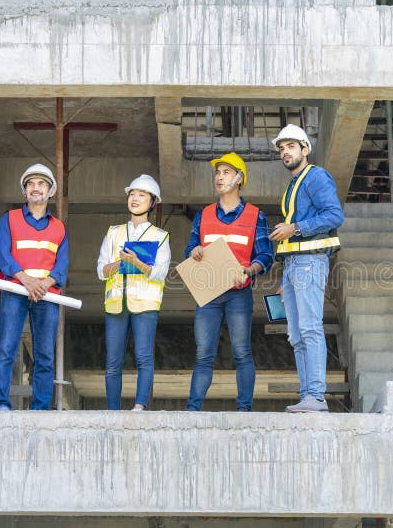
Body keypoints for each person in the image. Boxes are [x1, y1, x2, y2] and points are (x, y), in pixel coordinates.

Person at [185, 152, 274, 412]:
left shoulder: (255, 216)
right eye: (217, 172)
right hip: (209, 293)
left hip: (239, 293)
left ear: (238, 179)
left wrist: (250, 269)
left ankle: (244, 409)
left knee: (242, 352)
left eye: (225, 172)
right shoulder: (204, 215)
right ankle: (193, 409)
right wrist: (194, 251)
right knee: (203, 354)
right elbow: (191, 247)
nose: (219, 177)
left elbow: (266, 255)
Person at [268, 124, 344, 413]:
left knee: (309, 328)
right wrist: (285, 277)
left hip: (310, 262)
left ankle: (316, 396)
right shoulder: (295, 183)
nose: (284, 152)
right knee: (297, 334)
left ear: (305, 149)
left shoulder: (315, 177)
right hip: (294, 266)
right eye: (281, 148)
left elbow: (335, 214)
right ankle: (308, 396)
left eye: (290, 146)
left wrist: (295, 228)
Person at [0, 163, 69, 411]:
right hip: (15, 291)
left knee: (45, 356)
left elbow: (62, 265)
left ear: (51, 191)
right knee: (6, 349)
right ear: (24, 191)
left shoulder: (59, 227)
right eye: (31, 184)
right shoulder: (9, 219)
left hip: (47, 295)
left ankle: (40, 409)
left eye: (41, 184)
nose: (36, 188)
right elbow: (3, 255)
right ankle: (1, 404)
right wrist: (27, 280)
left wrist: (43, 284)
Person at [97, 174, 170, 411]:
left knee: (143, 357)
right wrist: (120, 263)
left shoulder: (160, 237)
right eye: (132, 194)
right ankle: (112, 409)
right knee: (112, 362)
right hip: (116, 303)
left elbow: (160, 272)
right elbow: (101, 270)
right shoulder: (113, 232)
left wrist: (137, 262)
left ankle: (139, 406)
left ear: (152, 202)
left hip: (145, 305)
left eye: (142, 195)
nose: (135, 199)